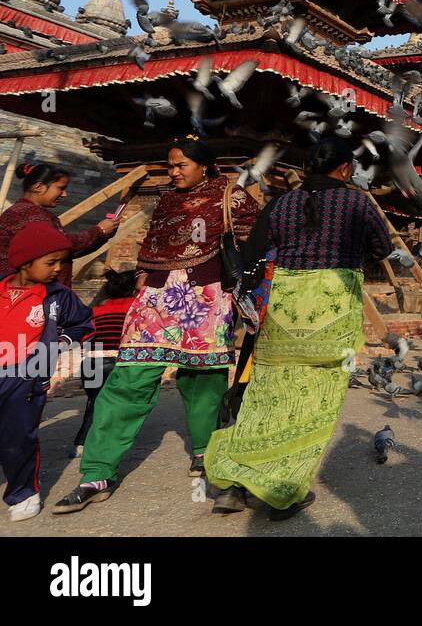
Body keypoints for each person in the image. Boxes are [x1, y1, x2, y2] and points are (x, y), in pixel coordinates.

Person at [53, 136, 259, 515]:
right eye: (171, 165)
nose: (174, 172)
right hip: (156, 301)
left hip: (208, 299)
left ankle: (204, 451)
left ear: (204, 165)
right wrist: (143, 276)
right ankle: (97, 474)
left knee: (205, 379)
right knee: (128, 378)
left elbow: (255, 246)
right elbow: (152, 242)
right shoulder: (165, 199)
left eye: (181, 165)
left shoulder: (234, 197)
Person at [204, 136, 392, 519]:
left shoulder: (280, 203)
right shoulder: (356, 201)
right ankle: (281, 491)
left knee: (264, 398)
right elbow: (382, 248)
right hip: (333, 309)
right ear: (343, 169)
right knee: (315, 405)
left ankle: (233, 484)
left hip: (283, 309)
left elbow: (254, 257)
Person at [0, 222, 92, 521]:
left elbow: (83, 323)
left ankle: (23, 492)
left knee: (18, 437)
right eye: (50, 262)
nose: (57, 269)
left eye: (61, 262)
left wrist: (62, 342)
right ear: (25, 262)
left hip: (26, 376)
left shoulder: (59, 296)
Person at [0, 162, 119, 287]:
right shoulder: (28, 213)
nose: (65, 194)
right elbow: (61, 245)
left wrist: (104, 234)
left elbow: (67, 252)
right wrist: (100, 230)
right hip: (28, 292)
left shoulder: (32, 212)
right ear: (38, 187)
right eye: (61, 188)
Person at [70, 268, 136, 457]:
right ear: (132, 290)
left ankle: (80, 443)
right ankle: (106, 446)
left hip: (91, 363)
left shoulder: (94, 312)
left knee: (94, 402)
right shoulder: (134, 308)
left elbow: (84, 338)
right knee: (117, 404)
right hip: (118, 362)